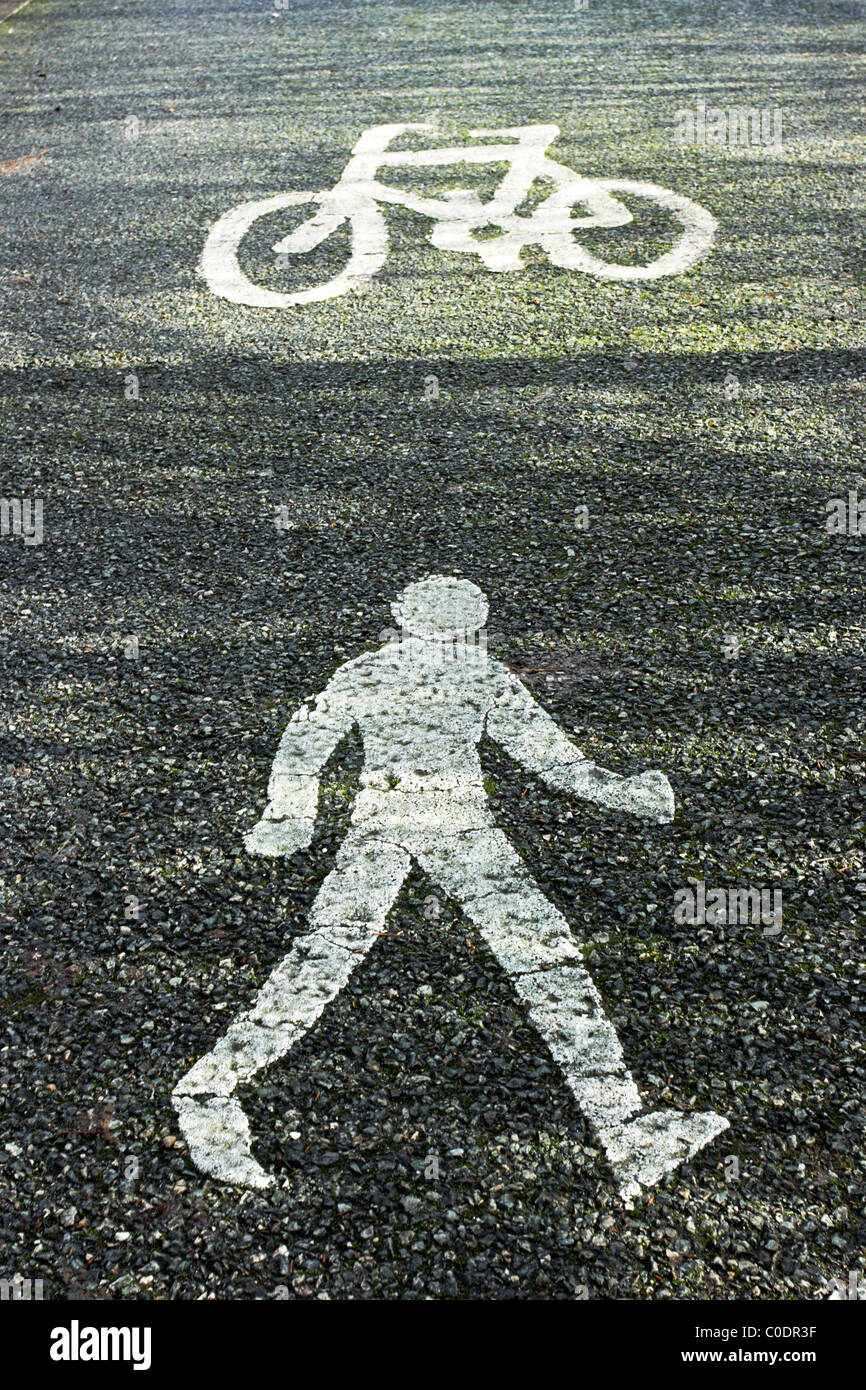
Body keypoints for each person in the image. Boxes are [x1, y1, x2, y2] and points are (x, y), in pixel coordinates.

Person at [174, 576, 727, 1200]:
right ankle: (622, 1126)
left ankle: (211, 1087)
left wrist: (290, 814)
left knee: (336, 957)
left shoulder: (387, 672)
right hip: (442, 830)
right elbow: (552, 761)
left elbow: (308, 741)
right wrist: (288, 814)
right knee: (541, 961)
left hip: (423, 828)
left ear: (401, 616)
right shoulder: (470, 675)